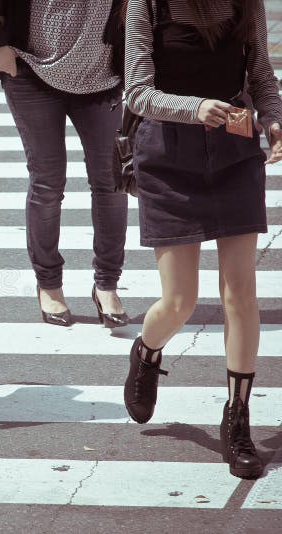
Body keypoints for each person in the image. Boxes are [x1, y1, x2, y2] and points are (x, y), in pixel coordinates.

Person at [122, 0, 282, 480]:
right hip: (169, 155)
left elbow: (262, 75)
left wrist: (274, 120)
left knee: (241, 293)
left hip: (235, 148)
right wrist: (195, 108)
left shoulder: (244, 2)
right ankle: (146, 353)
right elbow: (136, 92)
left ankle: (238, 420)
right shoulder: (146, 4)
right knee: (179, 300)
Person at [0, 0, 130, 328]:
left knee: (111, 183)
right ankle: (49, 283)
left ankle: (107, 284)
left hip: (103, 73)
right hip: (31, 71)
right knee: (47, 182)